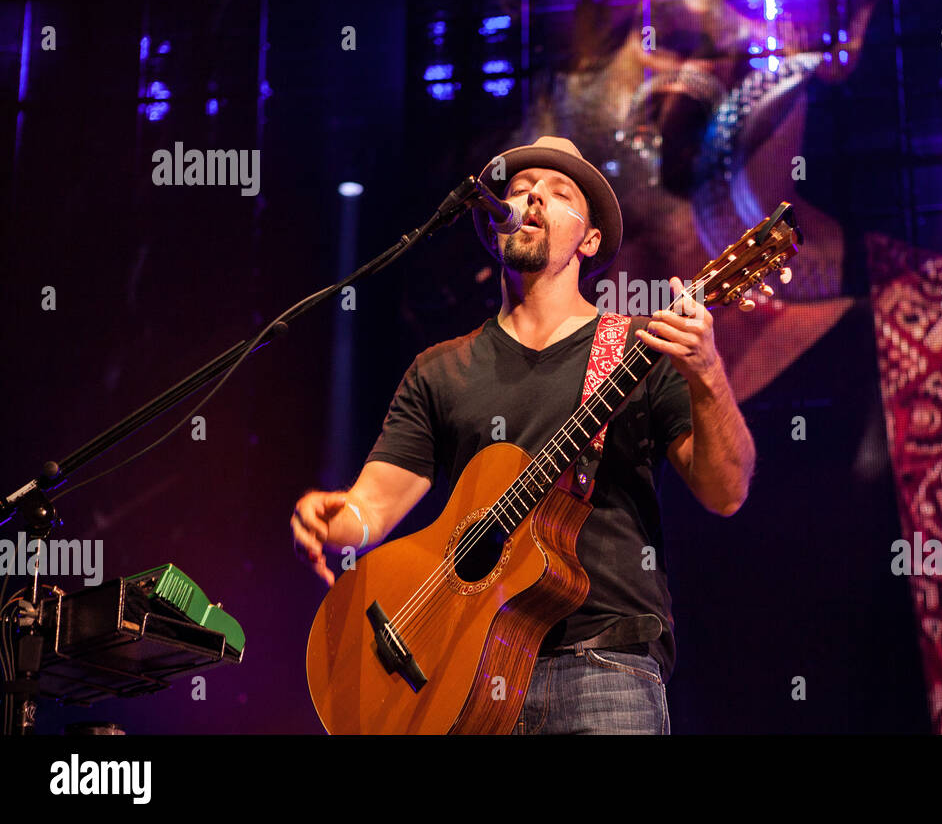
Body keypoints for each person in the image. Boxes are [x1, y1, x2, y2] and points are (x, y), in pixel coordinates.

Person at [290, 135, 756, 734]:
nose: (533, 196)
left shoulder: (643, 349)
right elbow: (371, 506)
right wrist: (336, 519)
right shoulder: (440, 369)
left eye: (559, 192)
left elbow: (726, 493)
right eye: (518, 190)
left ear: (589, 241)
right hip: (462, 672)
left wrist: (710, 375)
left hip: (605, 666)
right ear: (493, 227)